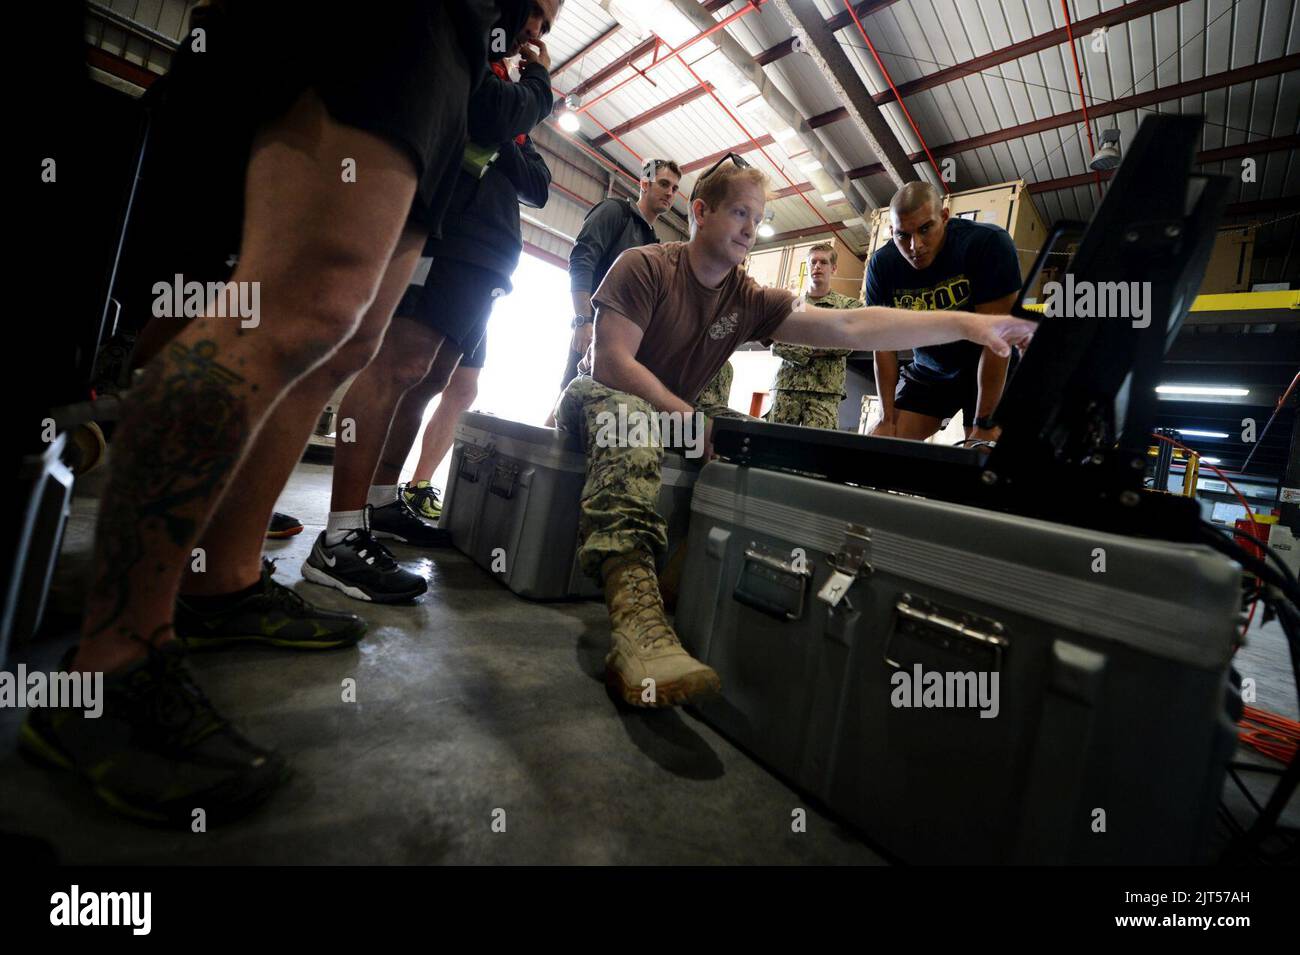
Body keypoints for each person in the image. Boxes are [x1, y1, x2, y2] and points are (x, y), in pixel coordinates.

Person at [19, 0, 548, 826]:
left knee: (345, 340)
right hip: (411, 24)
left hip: (454, 64)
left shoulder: (500, 45)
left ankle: (222, 582)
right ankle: (108, 667)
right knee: (290, 307)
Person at [554, 157, 1035, 710]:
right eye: (738, 213)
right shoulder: (644, 266)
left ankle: (678, 582)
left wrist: (969, 324)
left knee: (772, 442)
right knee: (633, 417)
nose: (748, 229)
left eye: (756, 219)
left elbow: (849, 325)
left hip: (671, 413)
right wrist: (685, 415)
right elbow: (610, 363)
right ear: (700, 211)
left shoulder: (747, 298)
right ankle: (637, 625)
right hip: (599, 403)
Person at [304, 25, 556, 602]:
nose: (535, 31)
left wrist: (513, 128)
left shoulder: (505, 98)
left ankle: (383, 502)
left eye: (546, 24)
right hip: (446, 233)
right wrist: (528, 97)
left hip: (487, 256)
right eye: (535, 16)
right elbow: (491, 122)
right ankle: (341, 532)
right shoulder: (472, 59)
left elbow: (538, 185)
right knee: (398, 364)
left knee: (432, 377)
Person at [867, 181, 1023, 442]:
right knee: (882, 446)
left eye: (925, 229)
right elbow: (883, 347)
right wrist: (886, 417)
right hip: (931, 372)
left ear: (944, 217)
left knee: (983, 454)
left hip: (988, 365)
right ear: (892, 231)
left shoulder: (987, 244)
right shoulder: (882, 265)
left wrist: (984, 421)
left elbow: (997, 340)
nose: (915, 246)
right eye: (903, 235)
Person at [543, 158, 681, 426]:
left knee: (595, 413)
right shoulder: (614, 212)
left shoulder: (653, 244)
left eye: (675, 189)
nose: (670, 193)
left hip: (624, 349)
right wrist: (583, 320)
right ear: (644, 183)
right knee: (568, 401)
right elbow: (582, 259)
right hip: (593, 332)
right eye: (664, 184)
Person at [767, 243, 862, 430]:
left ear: (833, 268)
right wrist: (822, 342)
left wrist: (799, 341)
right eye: (813, 262)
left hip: (825, 392)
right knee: (776, 445)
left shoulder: (847, 306)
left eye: (824, 262)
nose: (817, 266)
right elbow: (777, 343)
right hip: (786, 388)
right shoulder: (790, 305)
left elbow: (848, 342)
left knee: (817, 451)